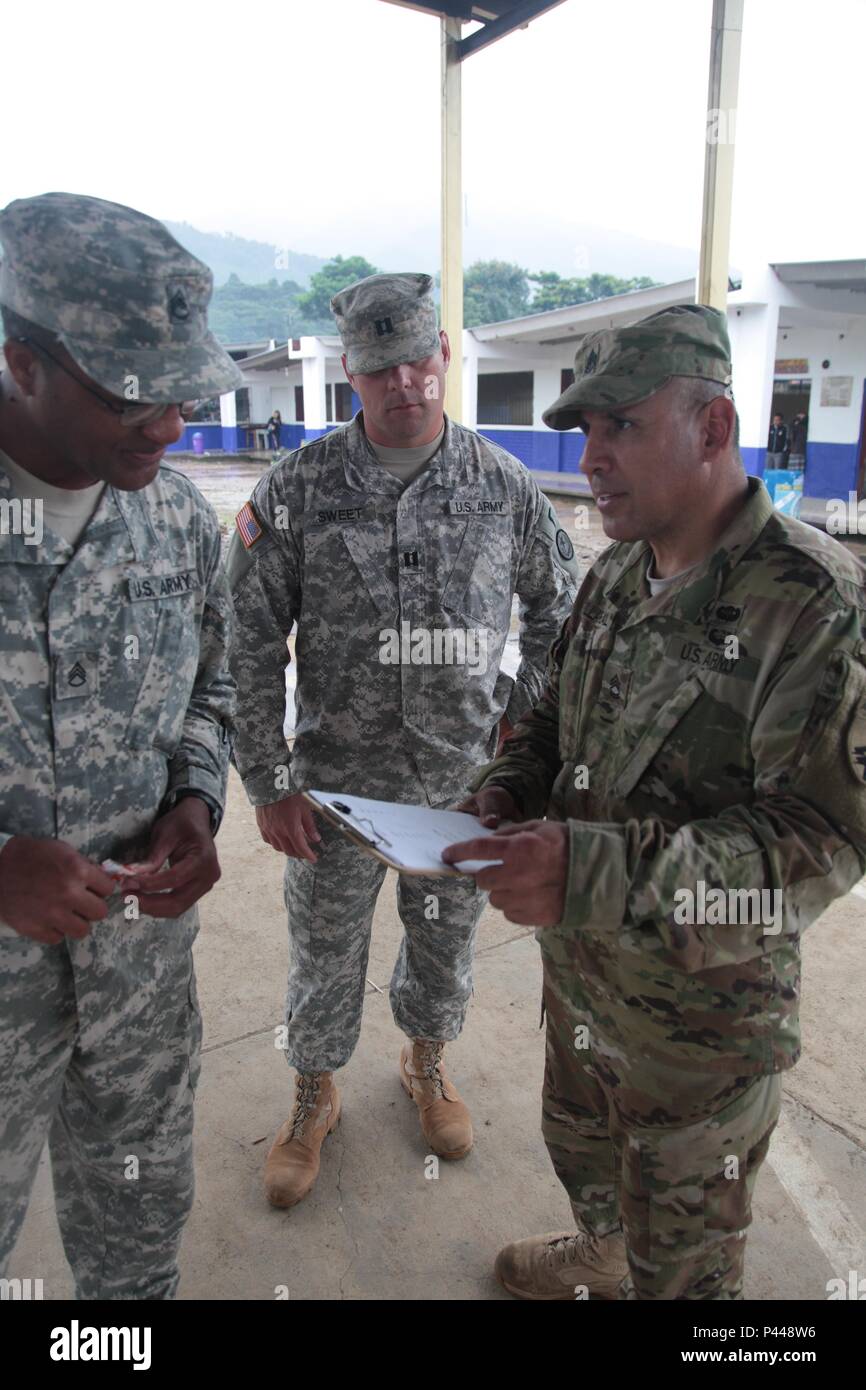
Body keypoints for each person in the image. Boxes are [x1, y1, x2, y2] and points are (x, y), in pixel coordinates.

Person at [444, 304, 866, 1300]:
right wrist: (505, 788)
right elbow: (546, 716)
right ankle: (598, 1252)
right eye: (583, 432)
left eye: (621, 427)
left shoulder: (812, 604)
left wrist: (589, 869)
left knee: (685, 1264)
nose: (590, 458)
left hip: (697, 1033)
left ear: (711, 428)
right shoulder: (614, 577)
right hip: (582, 987)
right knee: (583, 1154)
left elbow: (820, 844)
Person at [226, 272, 579, 1209]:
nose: (407, 383)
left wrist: (525, 725)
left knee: (442, 943)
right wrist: (266, 782)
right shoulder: (297, 489)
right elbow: (247, 636)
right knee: (325, 949)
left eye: (421, 359)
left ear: (445, 355)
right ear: (352, 372)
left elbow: (559, 609)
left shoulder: (501, 484)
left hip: (463, 786)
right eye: (383, 368)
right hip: (335, 792)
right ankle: (313, 1092)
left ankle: (426, 1065)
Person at [0, 192, 241, 1299]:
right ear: (22, 363)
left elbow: (213, 682)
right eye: (130, 394)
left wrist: (195, 799)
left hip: (137, 990)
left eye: (180, 392)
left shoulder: (182, 523)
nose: (168, 423)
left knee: (136, 1254)